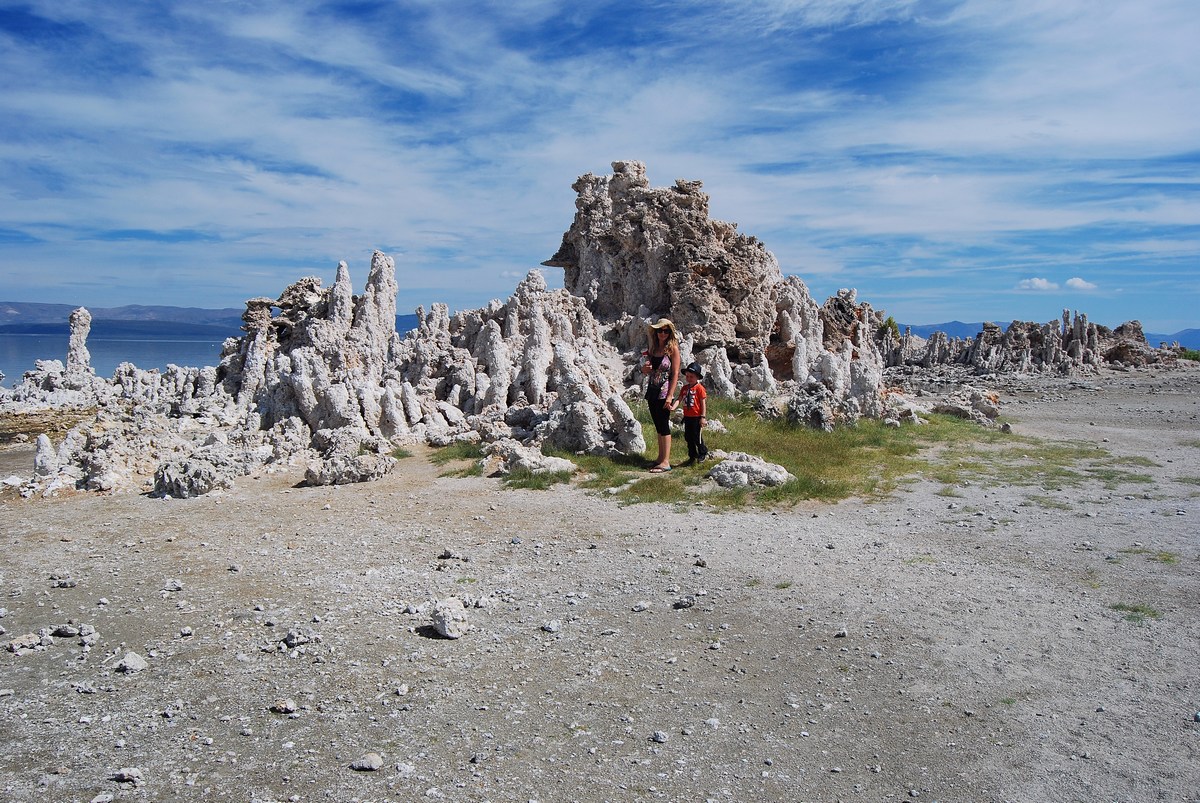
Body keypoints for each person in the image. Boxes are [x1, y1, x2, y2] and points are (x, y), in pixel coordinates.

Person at [640, 318, 681, 472]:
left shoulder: (672, 349)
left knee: (664, 424)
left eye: (666, 331)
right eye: (660, 330)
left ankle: (666, 461)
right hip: (652, 389)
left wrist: (671, 395)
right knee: (657, 424)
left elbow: (675, 373)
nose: (662, 333)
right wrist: (645, 368)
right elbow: (646, 370)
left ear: (670, 333)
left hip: (664, 390)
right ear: (656, 332)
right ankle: (660, 458)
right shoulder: (653, 348)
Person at [676, 361, 709, 463]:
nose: (689, 379)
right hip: (687, 417)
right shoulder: (684, 388)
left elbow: (703, 403)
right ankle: (692, 455)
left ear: (697, 377)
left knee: (696, 436)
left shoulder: (699, 388)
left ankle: (702, 453)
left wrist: (702, 417)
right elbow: (679, 399)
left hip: (696, 416)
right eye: (687, 376)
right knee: (688, 437)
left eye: (691, 377)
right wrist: (673, 407)